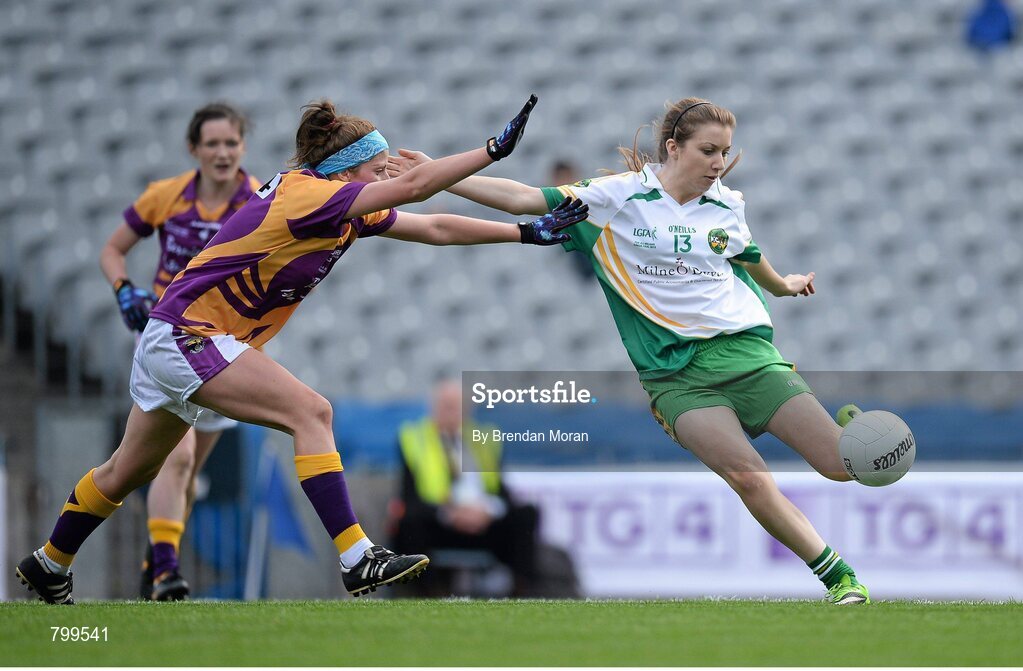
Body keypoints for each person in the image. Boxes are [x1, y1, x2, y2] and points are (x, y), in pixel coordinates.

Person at [15, 94, 590, 604]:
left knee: (124, 472)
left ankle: (49, 563)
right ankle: (356, 555)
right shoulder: (311, 196)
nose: (388, 169)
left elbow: (434, 225)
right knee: (311, 412)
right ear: (346, 169)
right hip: (190, 334)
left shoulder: (338, 206)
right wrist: (490, 150)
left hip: (177, 336)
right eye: (376, 162)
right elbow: (416, 186)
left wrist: (523, 232)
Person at [388, 98, 873, 605]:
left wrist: (783, 285)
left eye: (724, 152)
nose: (717, 163)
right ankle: (840, 578)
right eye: (708, 150)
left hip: (747, 356)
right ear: (673, 147)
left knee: (842, 465)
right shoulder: (615, 198)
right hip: (675, 379)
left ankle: (852, 426)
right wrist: (440, 176)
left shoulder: (727, 203)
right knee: (749, 478)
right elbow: (521, 199)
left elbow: (750, 258)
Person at [99, 102, 262, 601]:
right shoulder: (165, 196)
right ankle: (167, 570)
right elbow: (112, 250)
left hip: (223, 341)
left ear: (243, 146)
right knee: (176, 454)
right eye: (211, 143)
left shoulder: (258, 198)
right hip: (169, 334)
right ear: (194, 149)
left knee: (188, 468)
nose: (222, 152)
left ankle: (156, 561)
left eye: (230, 142)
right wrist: (124, 288)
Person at [391, 380, 541, 596]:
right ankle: (428, 592)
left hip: (484, 524)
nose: (451, 413)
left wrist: (487, 511)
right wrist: (449, 514)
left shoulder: (485, 441)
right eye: (446, 406)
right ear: (433, 408)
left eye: (457, 407)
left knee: (527, 514)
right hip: (439, 524)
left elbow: (500, 492)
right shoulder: (414, 438)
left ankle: (522, 591)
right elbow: (409, 496)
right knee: (409, 520)